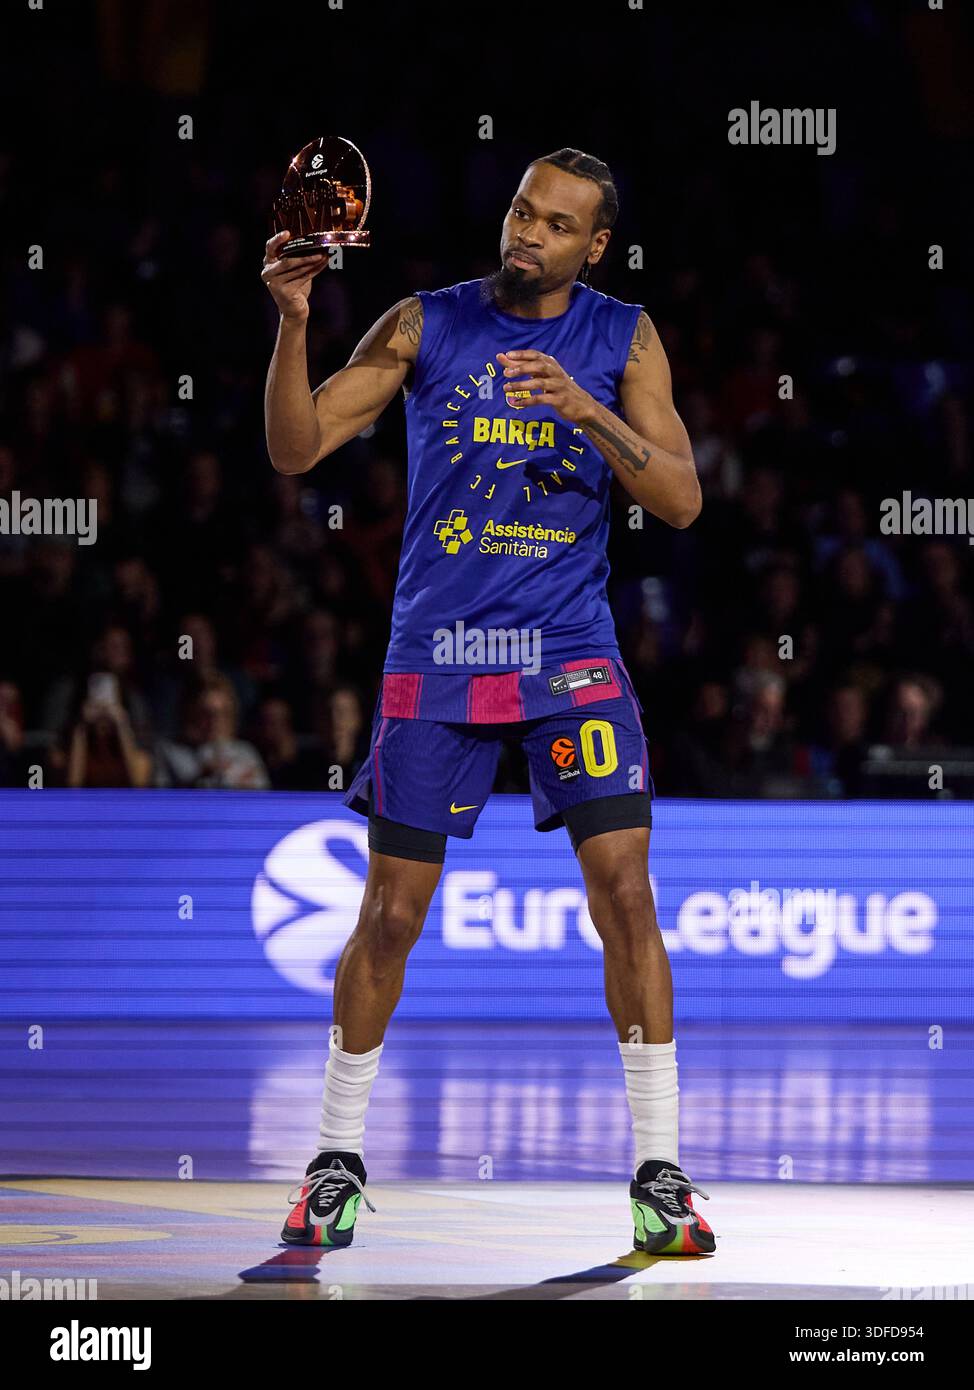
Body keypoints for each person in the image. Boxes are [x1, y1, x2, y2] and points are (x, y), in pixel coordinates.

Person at [262, 148, 712, 1255]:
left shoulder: (624, 337)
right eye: (521, 210)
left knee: (624, 893)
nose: (527, 234)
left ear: (593, 245)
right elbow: (297, 446)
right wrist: (289, 320)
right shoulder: (424, 323)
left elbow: (683, 497)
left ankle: (658, 1173)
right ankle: (333, 1161)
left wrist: (584, 410)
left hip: (569, 654)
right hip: (443, 656)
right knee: (391, 915)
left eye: (556, 224)